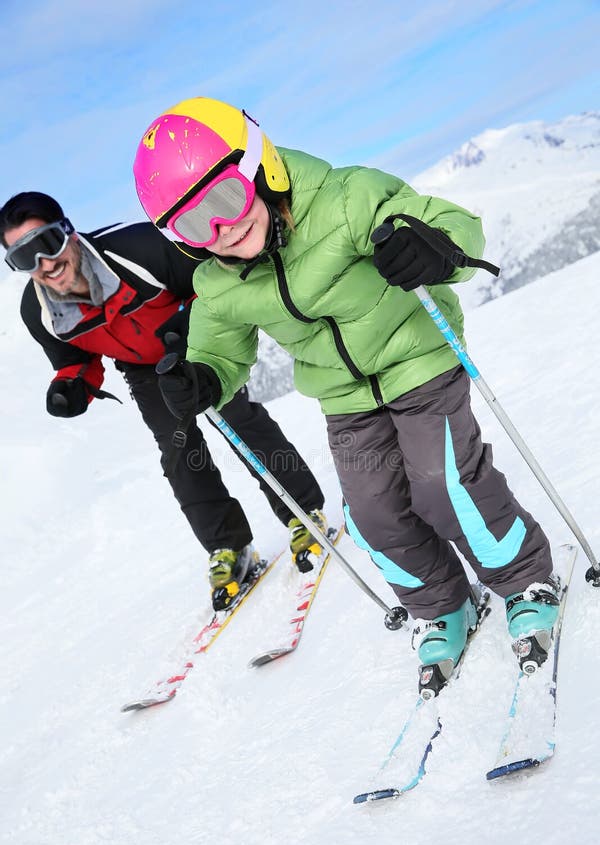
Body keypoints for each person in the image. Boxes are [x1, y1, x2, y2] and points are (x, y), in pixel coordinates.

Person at [132, 97, 559, 695]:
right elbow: (220, 351)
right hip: (344, 400)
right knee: (370, 514)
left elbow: (451, 222)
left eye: (224, 200)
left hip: (419, 362)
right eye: (193, 226)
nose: (222, 231)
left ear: (262, 168)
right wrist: (202, 378)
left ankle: (523, 579)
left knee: (442, 485)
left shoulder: (349, 197)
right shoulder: (217, 280)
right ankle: (441, 604)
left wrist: (430, 244)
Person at [0, 191, 326, 610]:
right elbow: (74, 358)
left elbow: (209, 279)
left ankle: (303, 512)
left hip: (198, 341)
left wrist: (185, 323)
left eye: (46, 244)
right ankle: (228, 547)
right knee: (178, 450)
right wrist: (72, 385)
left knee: (239, 418)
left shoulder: (136, 249)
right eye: (25, 258)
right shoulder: (39, 312)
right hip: (143, 369)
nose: (44, 264)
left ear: (68, 233)